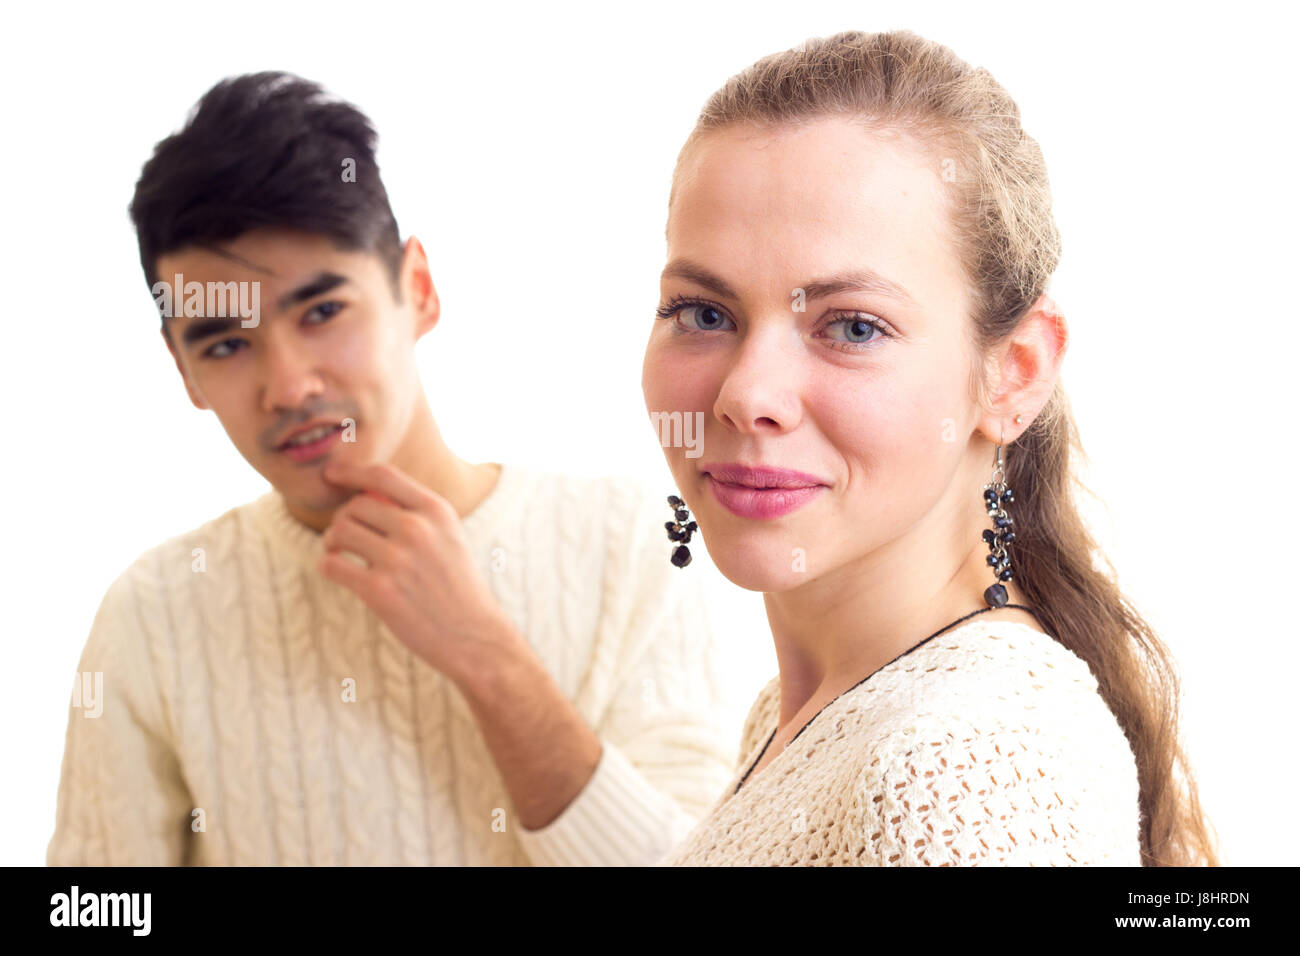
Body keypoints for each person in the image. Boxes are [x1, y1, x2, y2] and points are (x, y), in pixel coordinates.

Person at [46, 71, 734, 866]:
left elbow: (698, 861)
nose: (290, 385)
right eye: (226, 343)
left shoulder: (634, 542)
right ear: (185, 372)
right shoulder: (152, 614)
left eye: (322, 311)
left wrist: (483, 654)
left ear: (418, 289)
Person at [643, 30, 1219, 866]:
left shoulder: (959, 769)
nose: (746, 396)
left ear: (1013, 376)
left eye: (851, 326)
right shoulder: (807, 713)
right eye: (703, 312)